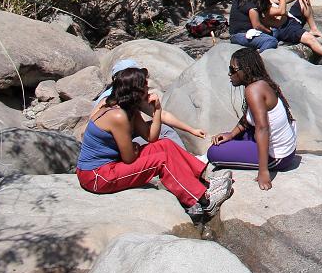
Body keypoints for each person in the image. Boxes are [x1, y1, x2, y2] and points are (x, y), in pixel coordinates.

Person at [76, 66, 233, 221]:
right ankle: (205, 200)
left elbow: (151, 137)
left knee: (165, 144)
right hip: (96, 175)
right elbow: (129, 158)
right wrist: (135, 149)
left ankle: (202, 182)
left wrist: (157, 109)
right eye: (145, 86)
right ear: (136, 92)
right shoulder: (117, 115)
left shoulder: (128, 108)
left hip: (110, 166)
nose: (148, 89)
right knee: (161, 160)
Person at [206, 47, 299, 190]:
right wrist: (231, 134)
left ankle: (264, 165)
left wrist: (263, 171)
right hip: (287, 147)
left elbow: (263, 128)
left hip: (279, 157)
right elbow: (249, 118)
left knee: (213, 152)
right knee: (227, 139)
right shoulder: (261, 83)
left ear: (247, 70)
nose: (229, 74)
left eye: (233, 69)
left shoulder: (253, 90)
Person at [95, 58, 206, 148]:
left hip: (125, 137)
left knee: (163, 129)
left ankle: (186, 160)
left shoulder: (132, 96)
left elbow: (162, 115)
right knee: (163, 138)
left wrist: (192, 130)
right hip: (115, 146)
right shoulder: (108, 101)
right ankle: (186, 161)